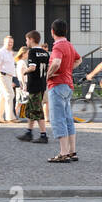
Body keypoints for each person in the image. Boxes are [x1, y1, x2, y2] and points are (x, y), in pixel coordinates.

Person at [45, 19, 80, 163]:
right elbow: (79, 60)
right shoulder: (69, 45)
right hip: (68, 84)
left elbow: (57, 62)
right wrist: (68, 70)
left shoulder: (58, 46)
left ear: (52, 32)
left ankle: (63, 152)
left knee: (58, 119)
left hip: (57, 85)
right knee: (68, 119)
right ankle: (72, 151)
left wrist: (48, 74)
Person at [18, 31, 49, 144]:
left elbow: (32, 67)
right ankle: (29, 132)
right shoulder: (45, 53)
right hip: (42, 84)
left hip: (34, 84)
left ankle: (43, 135)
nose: (26, 42)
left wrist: (24, 72)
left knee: (37, 110)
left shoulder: (32, 52)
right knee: (32, 109)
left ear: (31, 39)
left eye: (27, 40)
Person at [0, 36, 17, 123]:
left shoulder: (10, 53)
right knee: (10, 94)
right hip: (2, 75)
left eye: (11, 42)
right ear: (4, 42)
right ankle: (10, 117)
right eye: (8, 42)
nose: (10, 44)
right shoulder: (0, 52)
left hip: (9, 77)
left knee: (2, 97)